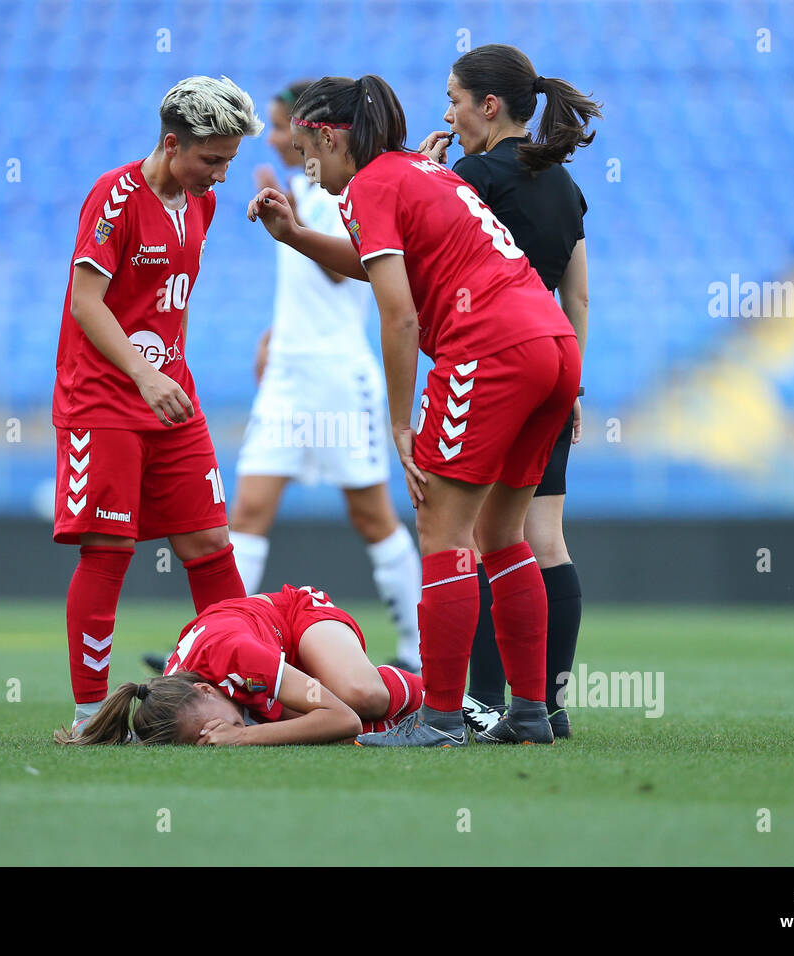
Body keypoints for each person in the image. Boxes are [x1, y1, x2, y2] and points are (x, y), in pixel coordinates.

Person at [247, 74, 581, 747]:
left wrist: (401, 424)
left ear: (336, 137)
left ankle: (440, 719)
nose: (306, 164)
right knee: (503, 538)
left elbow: (398, 318)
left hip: (490, 351)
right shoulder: (420, 173)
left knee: (441, 534)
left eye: (310, 147)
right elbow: (379, 267)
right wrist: (294, 235)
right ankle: (529, 712)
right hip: (552, 348)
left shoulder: (375, 184)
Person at [53, 76, 261, 733]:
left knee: (210, 543)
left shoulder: (201, 204)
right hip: (106, 399)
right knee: (109, 549)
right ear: (172, 145)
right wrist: (146, 375)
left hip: (171, 396)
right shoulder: (114, 198)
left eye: (229, 161)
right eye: (212, 160)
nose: (222, 175)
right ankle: (92, 716)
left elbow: (172, 302)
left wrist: (169, 374)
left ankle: (244, 699)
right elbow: (87, 301)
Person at [418, 45, 599, 738]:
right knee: (543, 539)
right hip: (553, 369)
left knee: (479, 538)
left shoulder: (475, 175)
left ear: (488, 106)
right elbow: (575, 297)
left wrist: (434, 184)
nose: (448, 113)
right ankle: (546, 703)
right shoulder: (565, 185)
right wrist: (572, 382)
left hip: (493, 368)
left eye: (455, 100)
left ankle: (484, 702)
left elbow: (437, 260)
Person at [231, 80, 423, 675]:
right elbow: (304, 292)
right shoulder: (297, 191)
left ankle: (419, 647)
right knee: (249, 511)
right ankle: (224, 643)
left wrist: (290, 222)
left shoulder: (336, 192)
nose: (279, 137)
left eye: (284, 125)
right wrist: (273, 335)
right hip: (289, 374)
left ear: (315, 131)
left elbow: (347, 274)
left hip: (342, 378)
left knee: (371, 515)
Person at [56, 584, 425, 745]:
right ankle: (402, 721)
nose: (216, 735)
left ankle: (435, 695)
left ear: (203, 688)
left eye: (210, 727)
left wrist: (246, 735)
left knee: (360, 696)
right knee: (335, 733)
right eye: (202, 741)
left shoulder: (236, 657)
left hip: (300, 619)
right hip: (262, 672)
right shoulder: (167, 704)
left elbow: (343, 716)